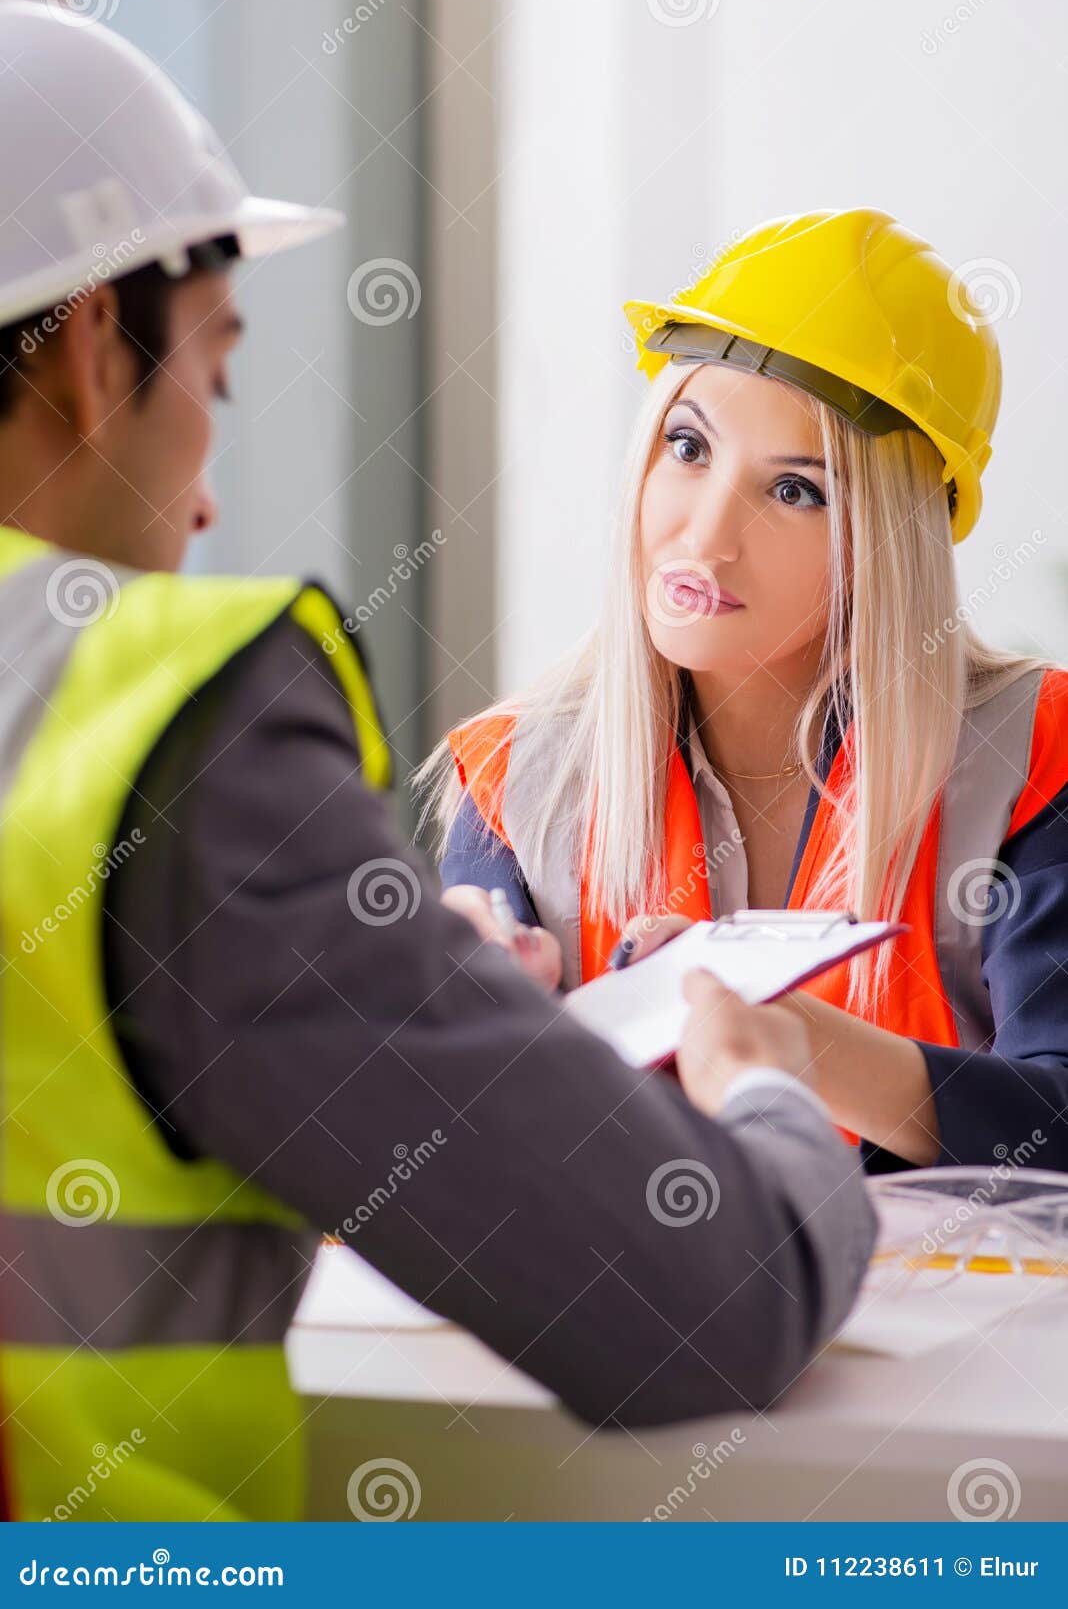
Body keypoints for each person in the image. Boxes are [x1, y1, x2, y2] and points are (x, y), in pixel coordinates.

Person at [0, 0, 875, 1522]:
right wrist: (770, 1097)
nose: (207, 500)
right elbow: (704, 1296)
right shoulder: (139, 717)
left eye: (792, 486)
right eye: (214, 373)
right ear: (88, 353)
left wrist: (380, 1000)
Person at [424, 207, 1068, 1177]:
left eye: (795, 490)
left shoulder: (1032, 753)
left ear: (886, 546)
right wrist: (444, 1042)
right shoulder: (518, 778)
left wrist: (807, 1048)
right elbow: (453, 1175)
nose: (706, 534)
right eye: (688, 448)